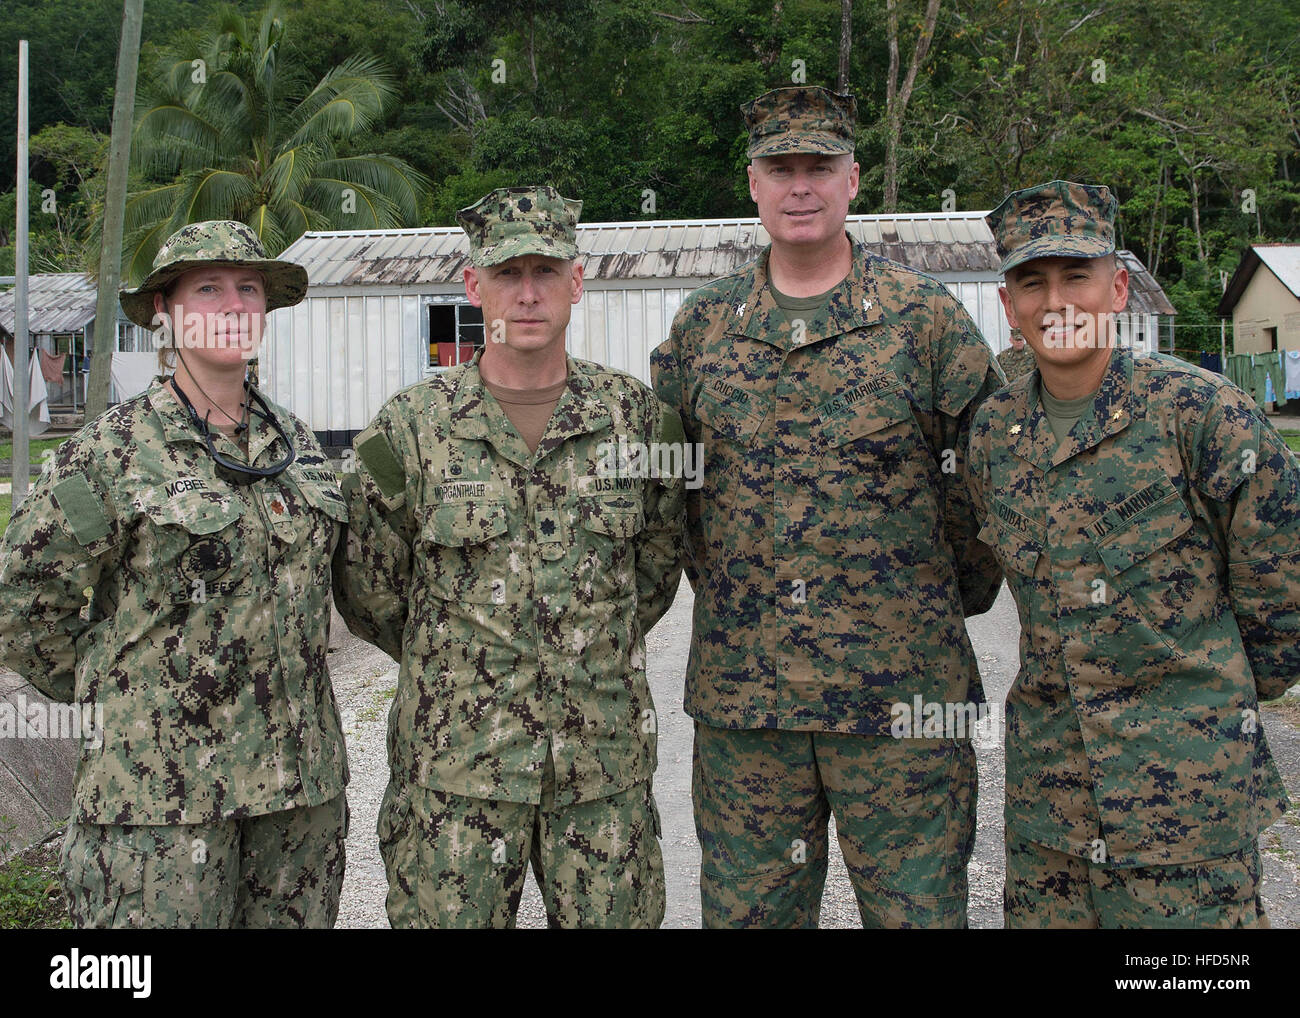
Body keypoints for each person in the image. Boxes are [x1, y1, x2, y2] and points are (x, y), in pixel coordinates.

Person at [650, 86, 1006, 928]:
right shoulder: (704, 329)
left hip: (907, 703)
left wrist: (921, 608)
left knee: (919, 915)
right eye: (782, 168)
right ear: (753, 183)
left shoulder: (924, 321)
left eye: (820, 167)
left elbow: (983, 490)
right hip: (750, 709)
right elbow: (677, 497)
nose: (800, 186)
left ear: (854, 180)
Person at [333, 186, 684, 929]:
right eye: (506, 273)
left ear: (577, 282)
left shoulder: (638, 420)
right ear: (472, 285)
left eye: (546, 272)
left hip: (601, 772)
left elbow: (654, 567)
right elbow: (368, 583)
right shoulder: (407, 428)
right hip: (456, 776)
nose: (527, 293)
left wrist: (582, 644)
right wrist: (455, 661)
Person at [0, 220, 350, 928]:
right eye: (207, 289)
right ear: (165, 310)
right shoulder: (111, 451)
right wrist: (125, 692)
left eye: (247, 289)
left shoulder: (300, 446)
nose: (230, 306)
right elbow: (24, 603)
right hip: (159, 807)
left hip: (298, 800)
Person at [969, 180, 1295, 928]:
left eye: (1075, 276)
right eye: (1032, 281)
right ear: (1007, 304)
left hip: (1187, 809)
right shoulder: (993, 437)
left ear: (1117, 289)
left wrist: (1199, 713)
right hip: (1050, 813)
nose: (1056, 301)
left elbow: (1284, 604)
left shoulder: (1203, 416)